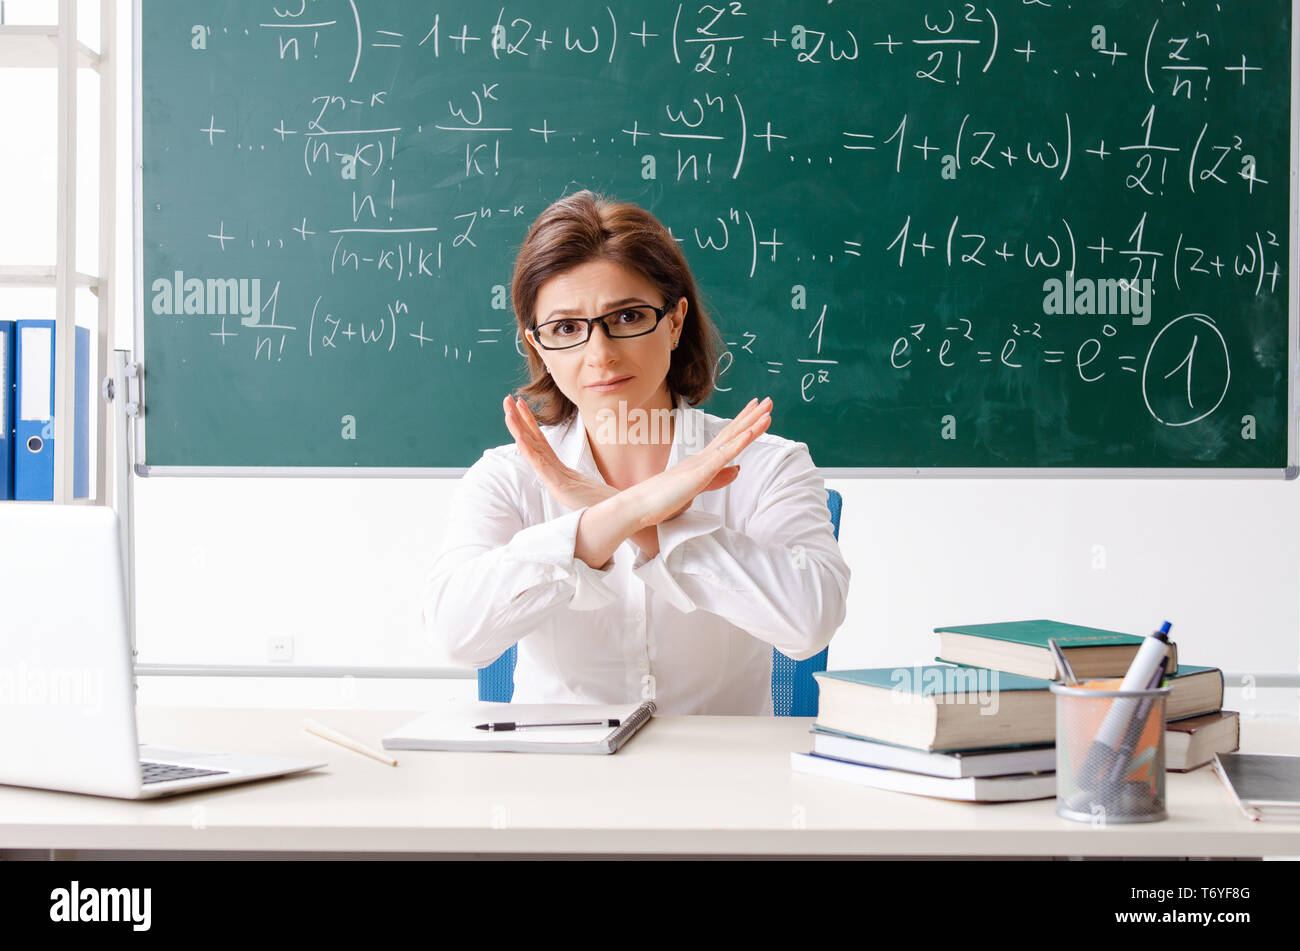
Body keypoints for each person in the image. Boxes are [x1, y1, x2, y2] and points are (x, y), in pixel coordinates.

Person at [420, 190, 850, 715]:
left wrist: (646, 527)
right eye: (566, 328)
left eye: (626, 318)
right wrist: (618, 514)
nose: (599, 354)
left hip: (721, 783)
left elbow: (809, 624)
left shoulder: (767, 466)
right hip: (558, 778)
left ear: (674, 322)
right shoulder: (507, 477)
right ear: (537, 345)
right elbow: (455, 637)